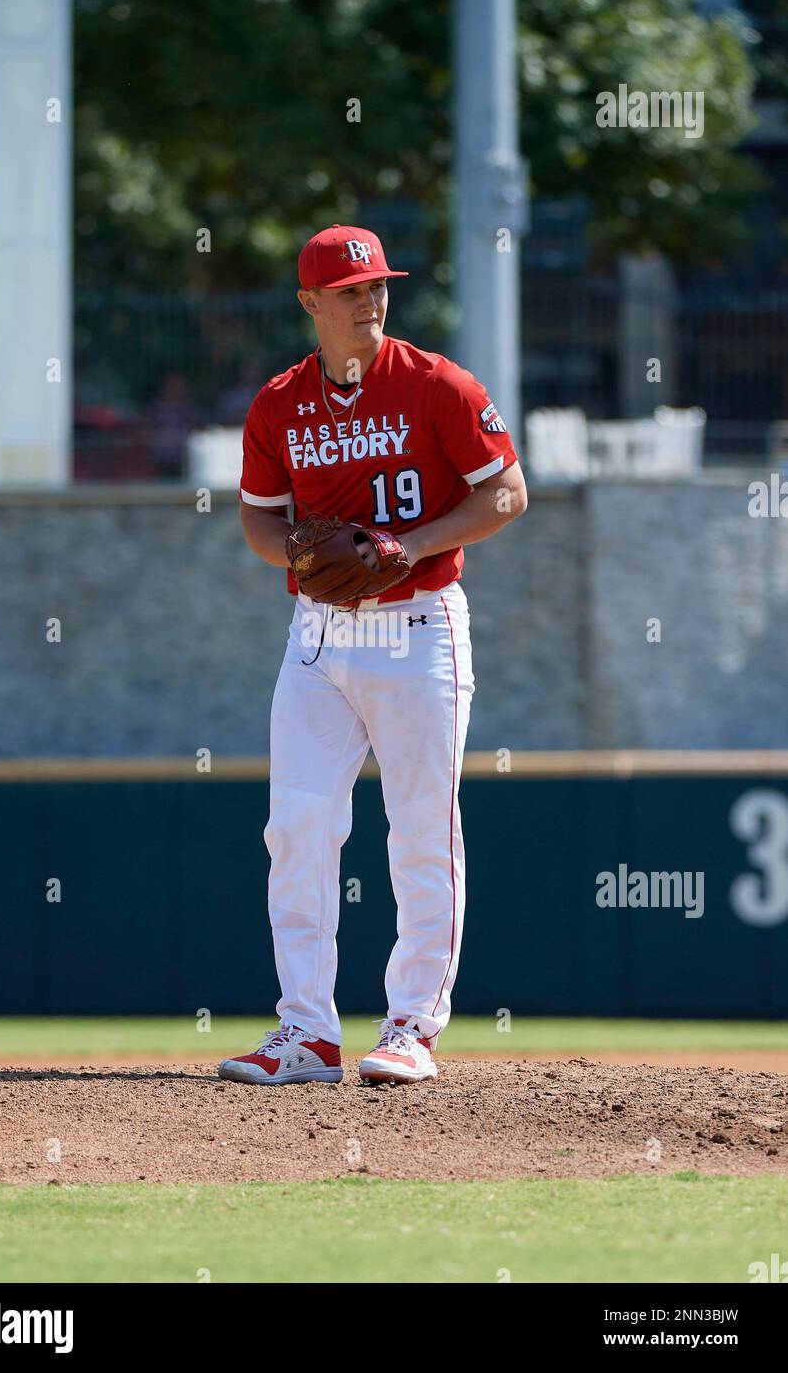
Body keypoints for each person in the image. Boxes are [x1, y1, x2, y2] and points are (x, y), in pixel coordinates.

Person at [218, 224, 527, 1086]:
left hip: (420, 625)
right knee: (299, 827)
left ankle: (410, 1028)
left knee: (423, 831)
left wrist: (408, 545)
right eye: (349, 290)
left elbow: (507, 490)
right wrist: (300, 557)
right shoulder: (279, 402)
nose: (370, 299)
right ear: (310, 303)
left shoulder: (436, 384)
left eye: (379, 285)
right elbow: (256, 518)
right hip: (318, 638)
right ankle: (307, 1035)